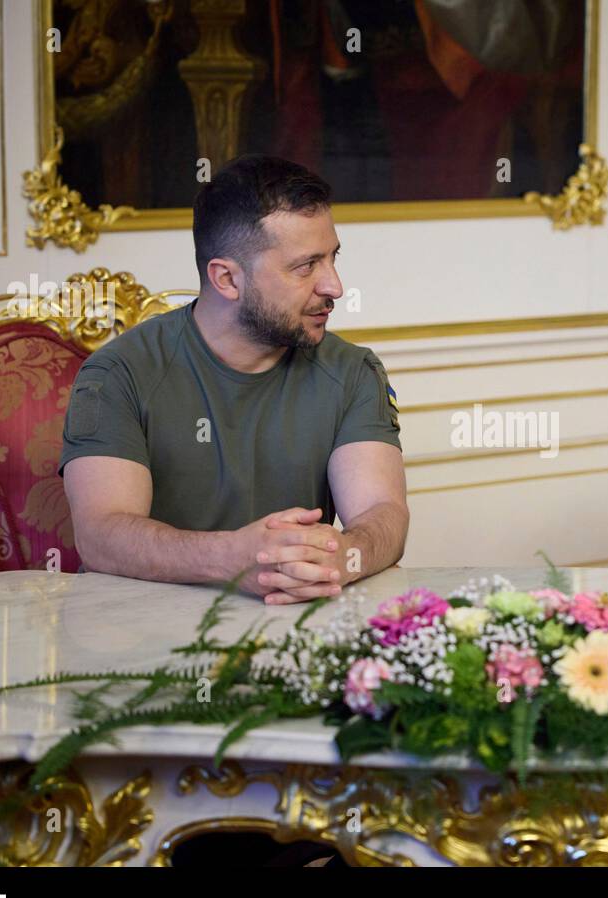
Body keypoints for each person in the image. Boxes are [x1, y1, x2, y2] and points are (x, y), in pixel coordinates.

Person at [60, 155, 408, 604]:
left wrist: (346, 555)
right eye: (306, 266)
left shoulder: (353, 371)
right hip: (141, 636)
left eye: (332, 258)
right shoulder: (117, 374)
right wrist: (231, 557)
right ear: (226, 278)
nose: (334, 286)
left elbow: (384, 513)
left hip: (293, 628)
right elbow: (101, 534)